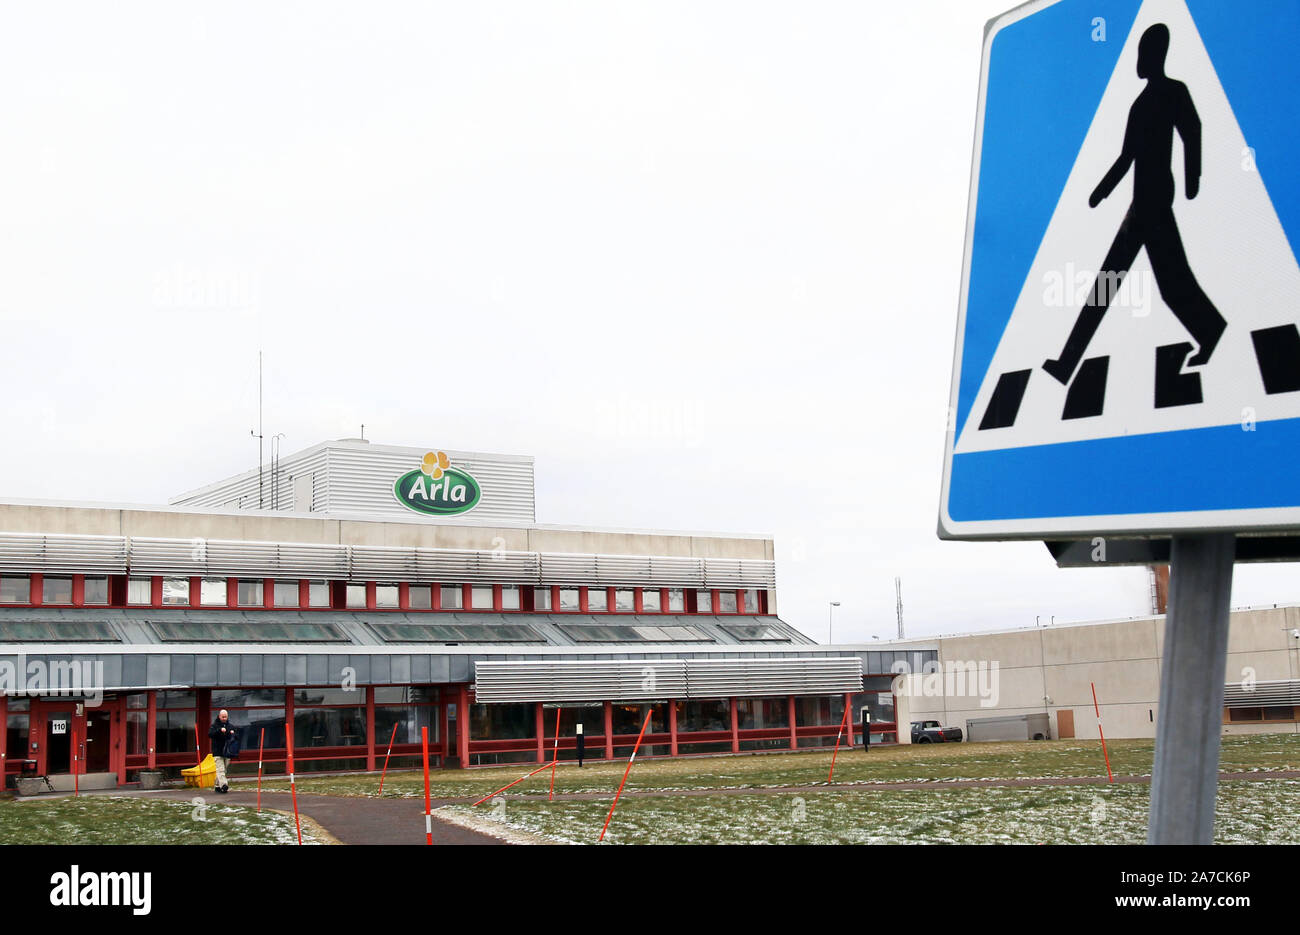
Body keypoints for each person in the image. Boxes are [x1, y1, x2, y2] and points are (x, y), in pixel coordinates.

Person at [1043, 22, 1225, 386]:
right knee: (1158, 282)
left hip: (1155, 201)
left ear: (1155, 55)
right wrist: (1101, 190)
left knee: (1126, 283)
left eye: (1142, 53)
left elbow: (1193, 130)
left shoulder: (1175, 92)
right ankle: (1210, 330)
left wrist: (1194, 179)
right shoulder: (1138, 105)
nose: (1138, 60)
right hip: (1140, 203)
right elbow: (1126, 156)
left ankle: (1210, 331)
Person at [208, 709, 236, 793]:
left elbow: (236, 736)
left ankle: (217, 786)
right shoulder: (214, 725)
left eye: (226, 717)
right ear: (219, 716)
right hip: (217, 751)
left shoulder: (230, 726)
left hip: (227, 751)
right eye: (223, 717)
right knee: (220, 769)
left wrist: (232, 733)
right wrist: (219, 731)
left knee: (224, 770)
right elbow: (210, 734)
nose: (224, 718)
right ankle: (224, 785)